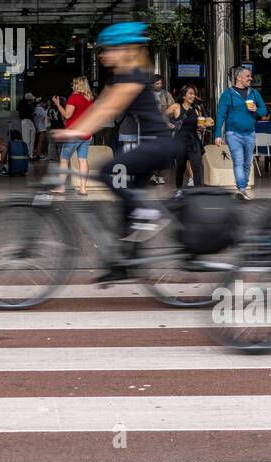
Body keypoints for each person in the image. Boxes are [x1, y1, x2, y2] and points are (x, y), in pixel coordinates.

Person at [53, 23, 177, 284]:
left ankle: (147, 212)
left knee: (108, 171)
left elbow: (106, 110)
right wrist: (76, 128)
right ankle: (124, 263)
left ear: (126, 50)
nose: (103, 54)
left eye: (109, 49)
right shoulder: (121, 78)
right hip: (151, 146)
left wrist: (73, 132)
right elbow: (99, 107)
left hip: (157, 145)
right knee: (126, 207)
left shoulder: (135, 75)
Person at [214, 65, 269, 200]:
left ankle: (241, 188)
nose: (251, 78)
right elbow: (220, 115)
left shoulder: (254, 93)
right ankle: (242, 188)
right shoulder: (228, 94)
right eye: (248, 76)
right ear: (239, 77)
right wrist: (217, 135)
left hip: (250, 133)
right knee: (238, 161)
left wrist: (256, 109)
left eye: (250, 76)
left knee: (247, 162)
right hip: (233, 134)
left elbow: (264, 111)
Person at [50, 77, 94, 196]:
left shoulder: (74, 97)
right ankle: (83, 188)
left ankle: (61, 187)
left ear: (76, 84)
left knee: (64, 160)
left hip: (73, 133)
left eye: (73, 83)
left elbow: (67, 115)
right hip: (86, 133)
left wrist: (58, 104)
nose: (71, 85)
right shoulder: (89, 99)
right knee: (83, 160)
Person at [168, 84, 206, 195]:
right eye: (190, 93)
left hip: (193, 141)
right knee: (180, 167)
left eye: (194, 94)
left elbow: (199, 126)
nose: (193, 96)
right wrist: (167, 124)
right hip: (180, 142)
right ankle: (179, 190)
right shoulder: (176, 107)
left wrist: (202, 127)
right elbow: (161, 115)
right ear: (184, 96)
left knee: (197, 167)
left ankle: (198, 192)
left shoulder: (196, 109)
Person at [32, 95, 50, 161]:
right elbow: (44, 119)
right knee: (40, 142)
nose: (46, 105)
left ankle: (38, 154)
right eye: (46, 104)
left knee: (39, 142)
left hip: (39, 127)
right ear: (42, 102)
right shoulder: (40, 109)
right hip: (41, 128)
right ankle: (38, 154)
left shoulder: (37, 108)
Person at [19, 94, 36, 159]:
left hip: (27, 121)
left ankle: (29, 155)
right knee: (28, 139)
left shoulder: (24, 105)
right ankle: (28, 155)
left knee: (28, 139)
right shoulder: (24, 105)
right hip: (27, 121)